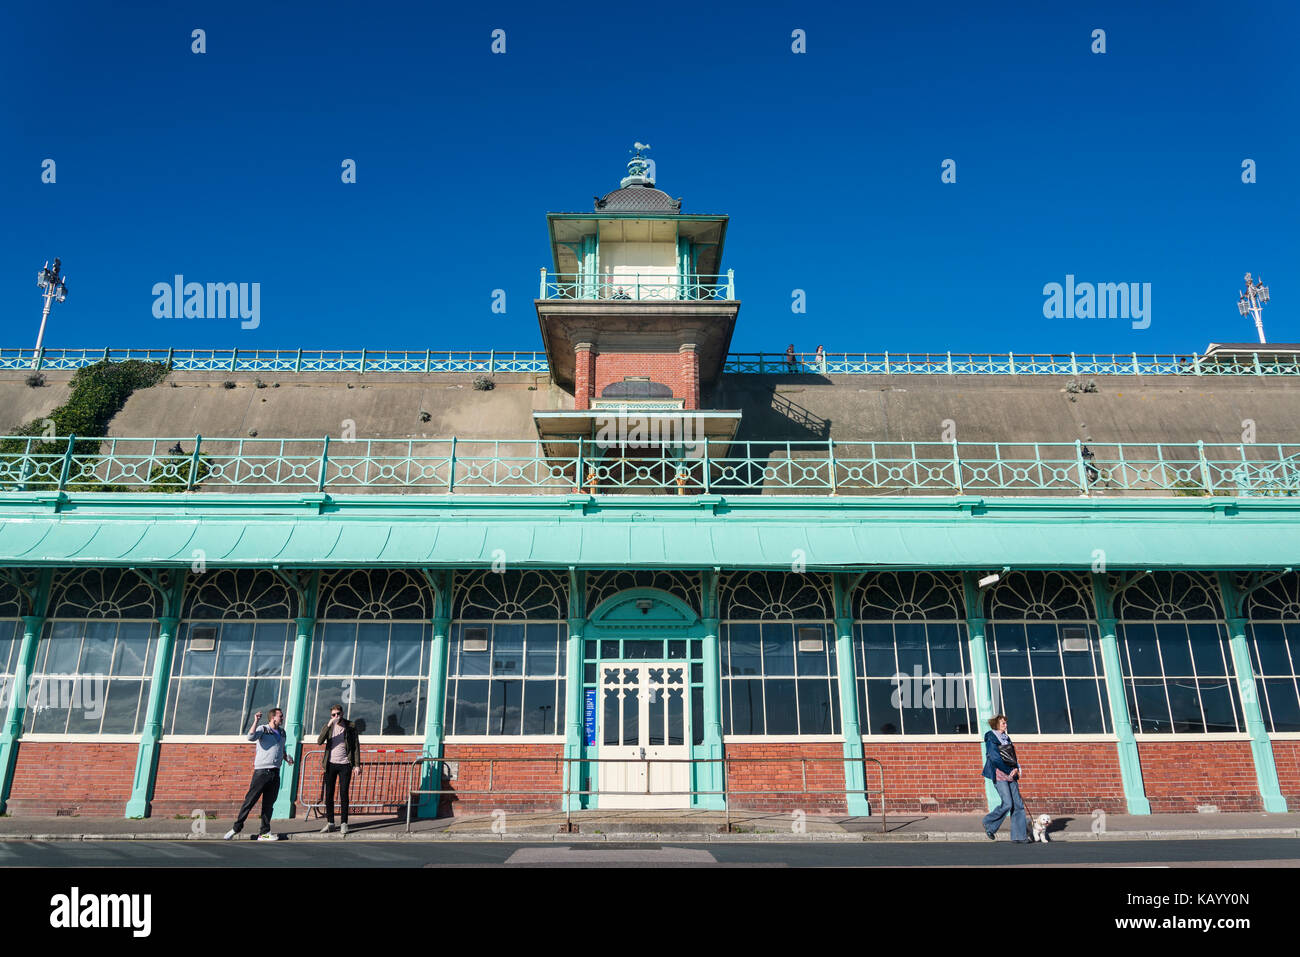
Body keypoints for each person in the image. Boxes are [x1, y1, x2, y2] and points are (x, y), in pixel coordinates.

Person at [224, 708, 293, 841]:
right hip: (262, 772)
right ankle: (236, 828)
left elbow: (282, 749)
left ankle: (264, 833)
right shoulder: (263, 729)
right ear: (273, 718)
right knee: (250, 801)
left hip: (275, 773)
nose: (282, 718)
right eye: (280, 716)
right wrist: (256, 721)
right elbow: (250, 737)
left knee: (269, 804)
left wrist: (287, 758)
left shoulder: (283, 732)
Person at [981, 714, 1030, 843]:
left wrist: (1017, 768)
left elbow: (1011, 756)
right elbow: (995, 758)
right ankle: (989, 823)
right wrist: (1009, 770)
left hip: (1011, 773)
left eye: (1005, 723)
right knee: (1008, 803)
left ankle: (1020, 836)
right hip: (1000, 773)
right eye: (1003, 723)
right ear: (996, 724)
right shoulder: (991, 737)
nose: (1006, 725)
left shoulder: (1006, 738)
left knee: (1018, 804)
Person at [316, 704, 361, 835]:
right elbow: (319, 741)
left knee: (343, 793)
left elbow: (356, 747)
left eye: (338, 714)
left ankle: (344, 823)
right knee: (329, 794)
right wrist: (329, 724)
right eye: (333, 715)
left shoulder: (351, 726)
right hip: (330, 764)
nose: (336, 717)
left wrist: (357, 765)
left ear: (342, 714)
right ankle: (330, 823)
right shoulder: (329, 726)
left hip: (345, 764)